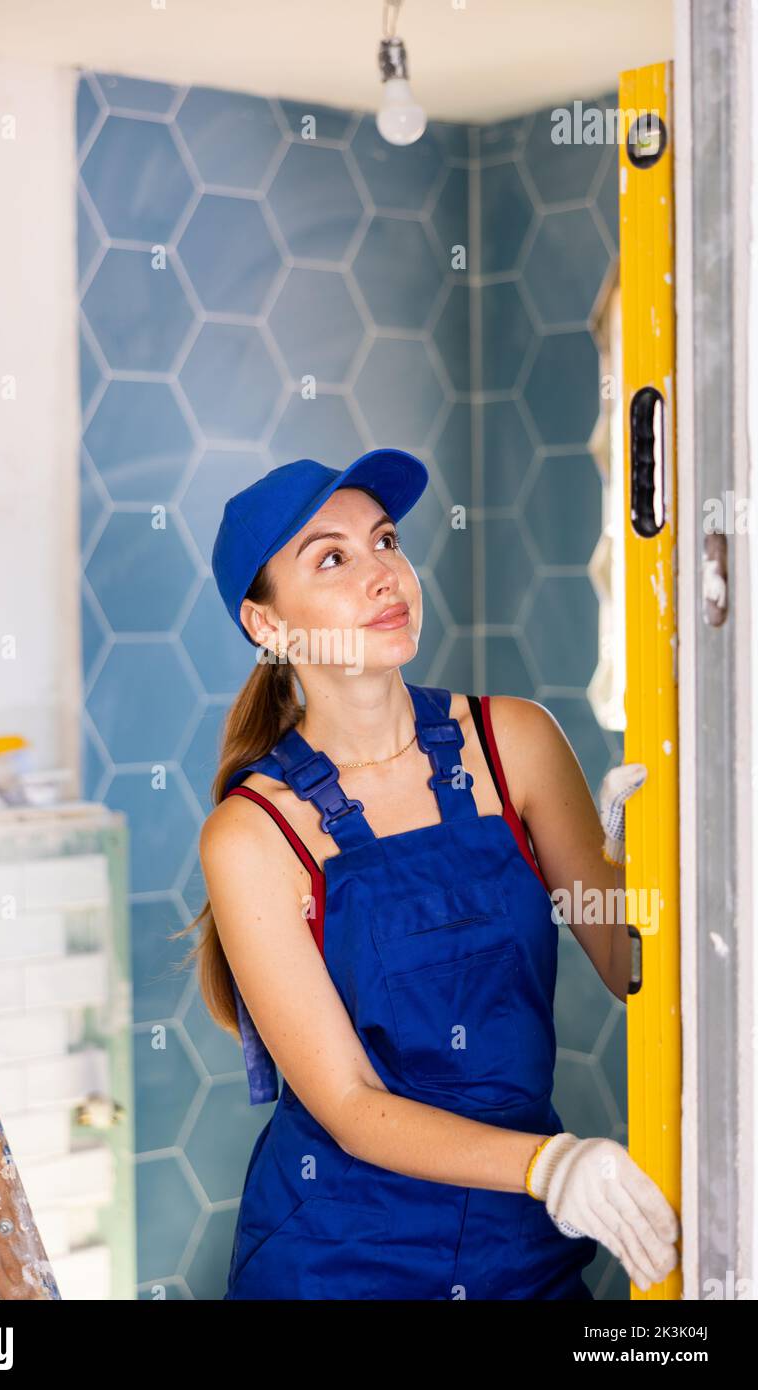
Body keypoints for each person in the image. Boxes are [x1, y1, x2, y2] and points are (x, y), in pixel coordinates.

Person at [183, 448, 680, 1301]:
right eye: (332, 558)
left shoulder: (512, 741)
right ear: (267, 626)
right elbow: (346, 1102)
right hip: (342, 1256)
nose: (384, 575)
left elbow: (630, 963)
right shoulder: (252, 834)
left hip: (519, 1248)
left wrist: (663, 863)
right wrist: (552, 1167)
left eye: (387, 540)